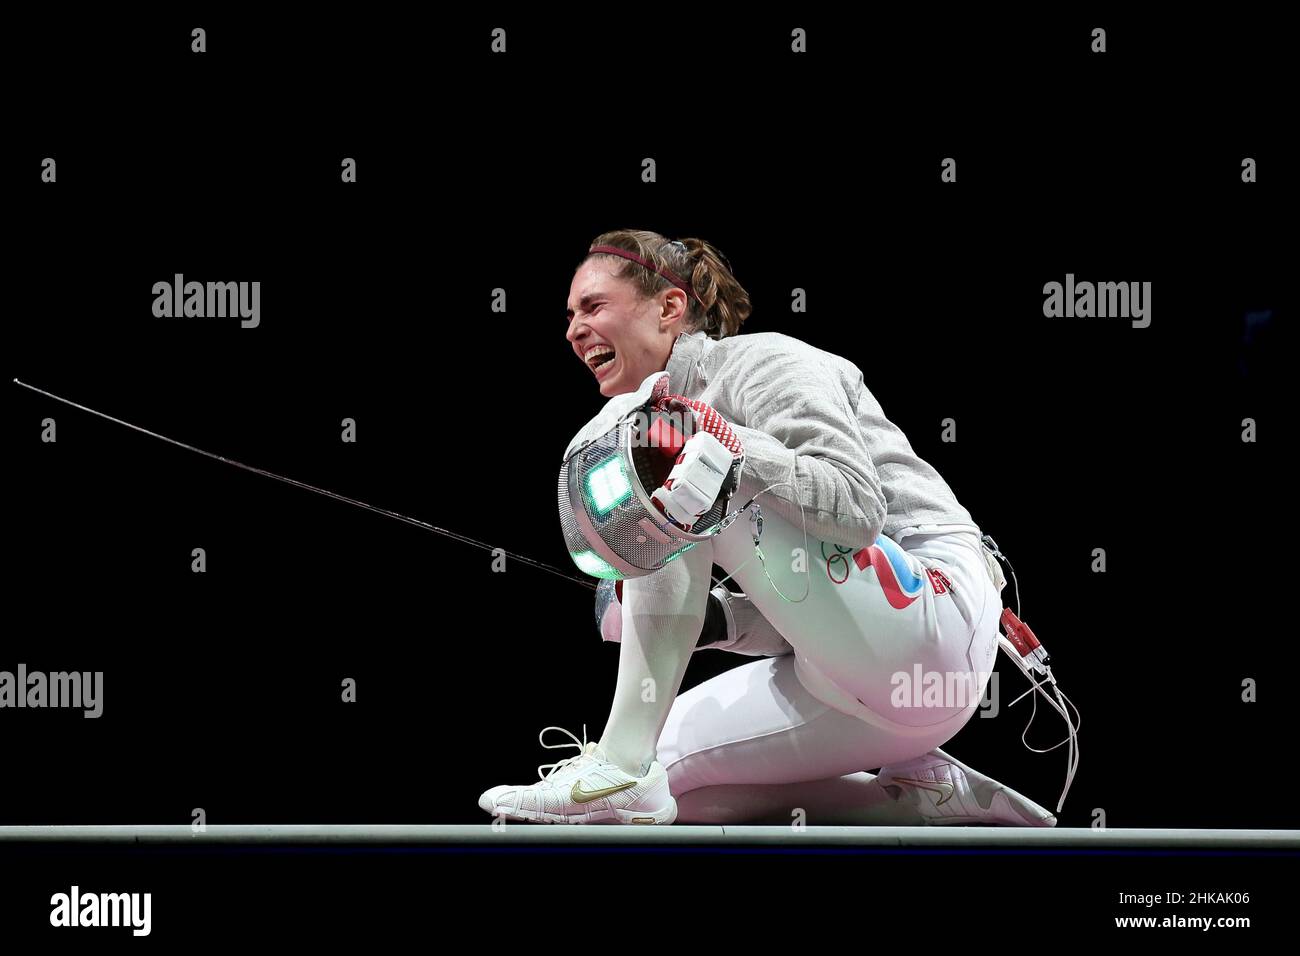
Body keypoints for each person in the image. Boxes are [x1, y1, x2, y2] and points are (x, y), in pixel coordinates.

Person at [478, 229, 1055, 826]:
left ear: (669, 308)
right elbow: (810, 602)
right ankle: (921, 796)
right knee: (672, 790)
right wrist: (714, 619)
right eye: (569, 314)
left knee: (679, 468)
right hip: (855, 687)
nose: (573, 328)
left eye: (593, 306)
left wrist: (720, 445)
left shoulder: (765, 363)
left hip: (938, 620)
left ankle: (620, 765)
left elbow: (857, 513)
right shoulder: (672, 418)